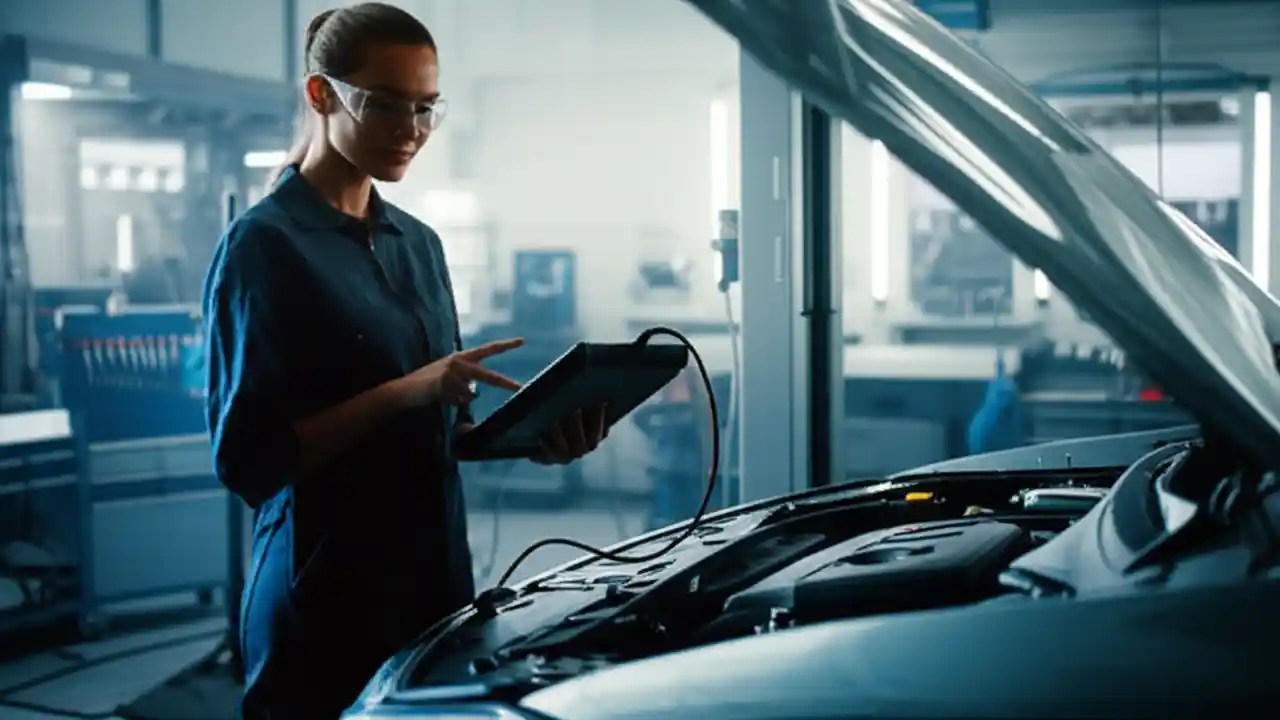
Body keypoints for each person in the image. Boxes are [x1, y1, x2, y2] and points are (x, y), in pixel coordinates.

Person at [202, 5, 606, 717]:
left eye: (425, 107)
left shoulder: (418, 244)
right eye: (385, 104)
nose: (411, 128)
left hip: (433, 588)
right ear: (321, 95)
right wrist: (405, 391)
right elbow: (250, 461)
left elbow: (437, 431)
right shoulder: (265, 246)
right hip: (323, 598)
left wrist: (531, 438)